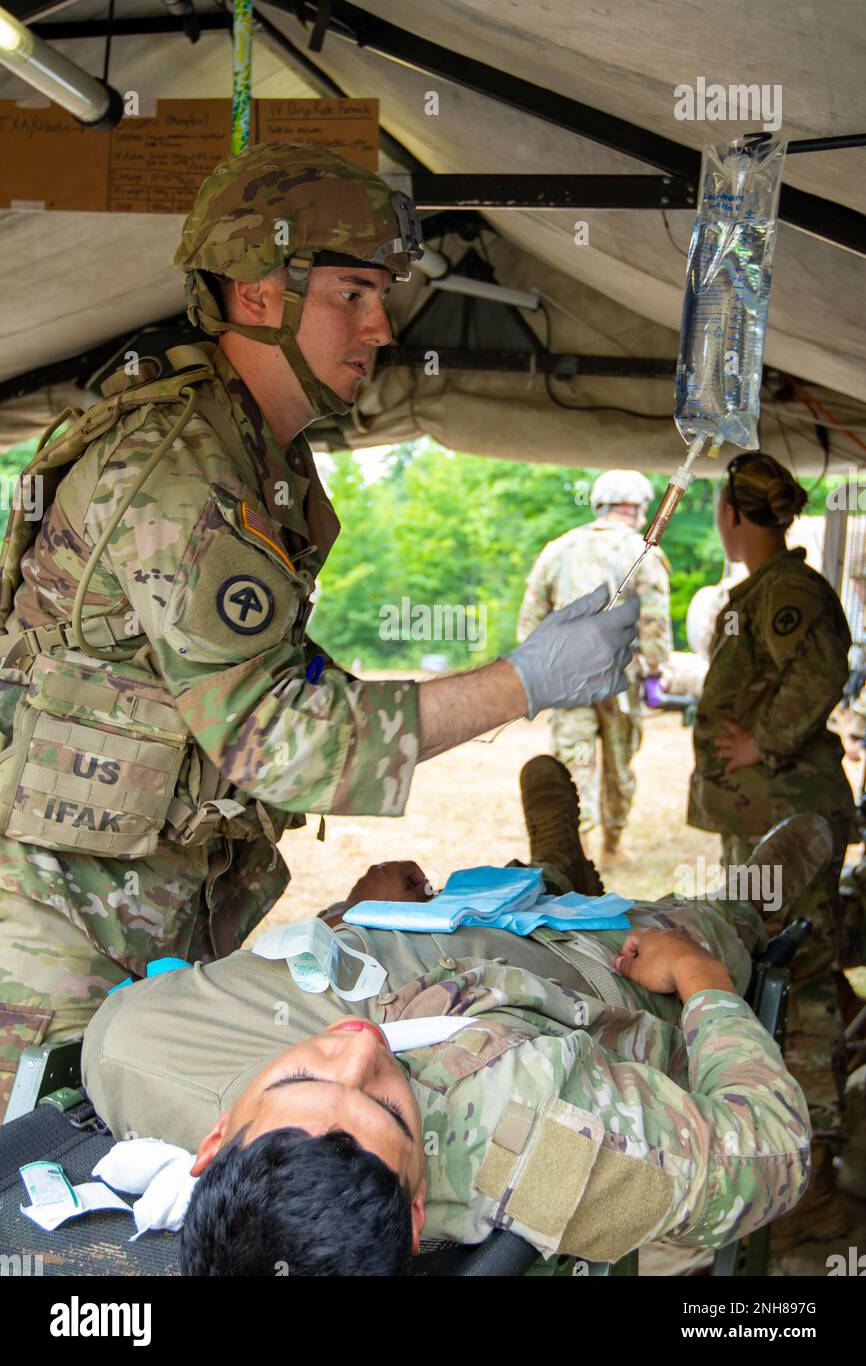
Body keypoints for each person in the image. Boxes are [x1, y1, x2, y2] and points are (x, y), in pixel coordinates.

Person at [0, 143, 638, 1117]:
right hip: (58, 936)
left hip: (142, 904)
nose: (382, 325)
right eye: (351, 293)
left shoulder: (255, 459)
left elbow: (279, 681)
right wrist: (523, 680)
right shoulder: (184, 470)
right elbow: (275, 739)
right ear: (259, 293)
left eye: (381, 295)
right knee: (54, 1190)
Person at [80, 756, 813, 1276]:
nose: (358, 1048)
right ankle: (742, 907)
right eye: (389, 1110)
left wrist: (345, 917)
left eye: (298, 1077)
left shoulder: (133, 1045)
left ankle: (559, 870)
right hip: (605, 963)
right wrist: (699, 976)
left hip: (449, 922)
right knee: (770, 877)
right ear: (419, 1207)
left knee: (535, 879)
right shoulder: (538, 1143)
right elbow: (774, 1153)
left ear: (211, 1146)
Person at [687, 451, 855, 1244]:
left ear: (734, 513)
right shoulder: (759, 592)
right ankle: (797, 1165)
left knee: (806, 983)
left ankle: (816, 1176)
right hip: (765, 824)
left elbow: (823, 666)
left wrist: (765, 739)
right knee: (776, 970)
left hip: (792, 821)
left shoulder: (788, 591)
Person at [517, 470, 672, 864]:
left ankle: (577, 847)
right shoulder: (645, 552)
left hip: (567, 679)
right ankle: (613, 845)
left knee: (574, 761)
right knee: (620, 764)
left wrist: (536, 673)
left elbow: (532, 616)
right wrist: (656, 670)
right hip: (622, 678)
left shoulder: (558, 548)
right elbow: (654, 619)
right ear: (637, 508)